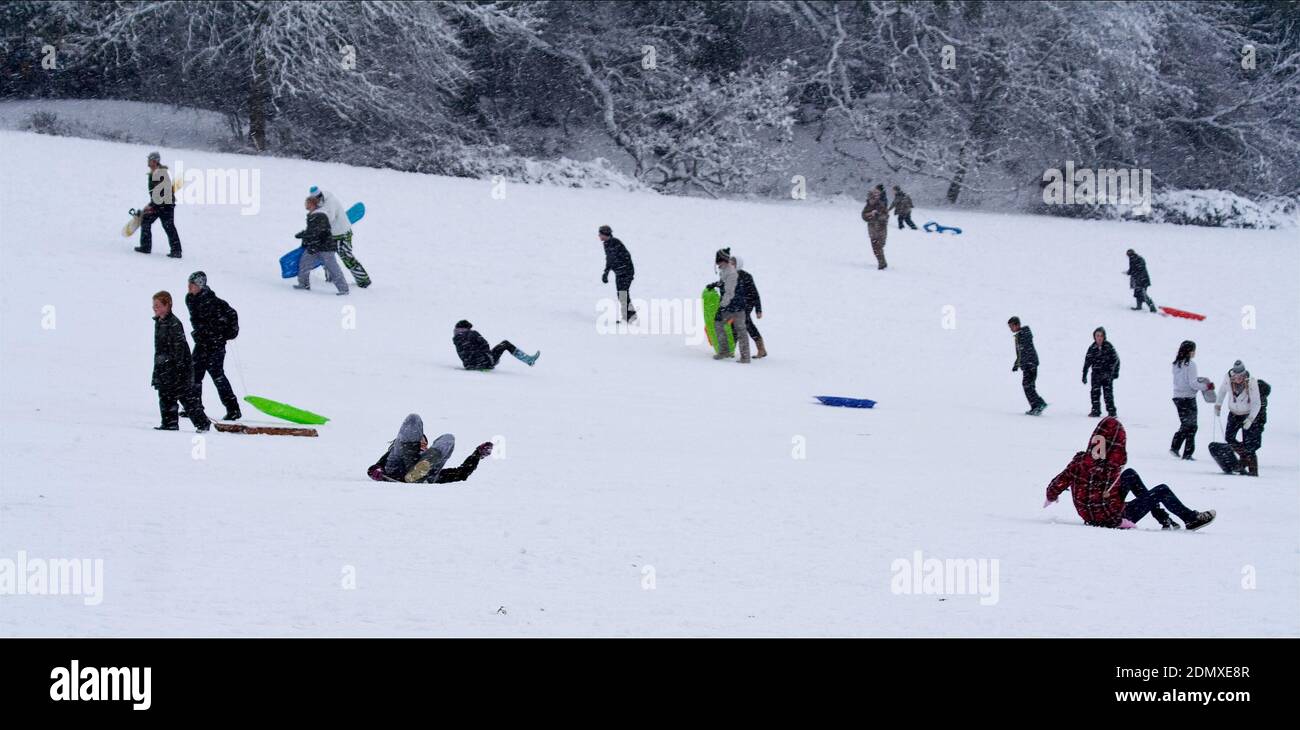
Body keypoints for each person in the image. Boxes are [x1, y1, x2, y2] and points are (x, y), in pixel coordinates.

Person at [1043, 416, 1215, 531]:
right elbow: (1104, 509)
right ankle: (1190, 519)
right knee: (1162, 490)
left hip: (1095, 513)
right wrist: (1118, 522)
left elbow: (1054, 486)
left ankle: (1162, 517)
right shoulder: (1110, 466)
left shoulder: (1079, 462)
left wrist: (1052, 495)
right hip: (1113, 517)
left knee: (1130, 475)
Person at [367, 414, 494, 483]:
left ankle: (418, 473)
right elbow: (374, 468)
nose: (422, 443)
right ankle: (415, 473)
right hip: (397, 467)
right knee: (413, 419)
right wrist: (376, 470)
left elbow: (460, 473)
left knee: (449, 438)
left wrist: (477, 454)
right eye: (419, 441)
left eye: (424, 443)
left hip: (424, 474)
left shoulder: (428, 461)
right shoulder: (394, 453)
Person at [184, 272, 242, 421]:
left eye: (193, 284)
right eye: (189, 284)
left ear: (200, 286)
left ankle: (233, 409)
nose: (189, 287)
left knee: (217, 375)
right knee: (194, 375)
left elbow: (220, 322)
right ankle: (194, 407)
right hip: (202, 343)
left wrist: (214, 334)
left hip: (215, 345)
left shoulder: (212, 302)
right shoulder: (190, 299)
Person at [151, 291, 210, 432]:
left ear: (167, 305)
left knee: (185, 397)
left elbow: (179, 348)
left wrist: (176, 368)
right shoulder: (159, 322)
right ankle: (169, 423)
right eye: (154, 305)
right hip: (164, 366)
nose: (154, 308)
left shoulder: (174, 324)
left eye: (157, 305)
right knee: (165, 395)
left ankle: (202, 423)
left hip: (177, 368)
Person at [309, 186, 370, 288]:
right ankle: (330, 279)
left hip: (343, 234)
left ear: (321, 195)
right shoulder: (318, 205)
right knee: (326, 258)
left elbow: (329, 218)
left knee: (347, 257)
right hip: (331, 235)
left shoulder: (330, 202)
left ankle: (363, 280)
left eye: (318, 197)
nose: (317, 200)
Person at [1215, 360, 1267, 476]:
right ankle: (1243, 456)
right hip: (1233, 413)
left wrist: (1250, 419)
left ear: (1244, 375)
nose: (1237, 378)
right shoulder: (1228, 379)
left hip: (1247, 414)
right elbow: (1222, 391)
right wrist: (1218, 405)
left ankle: (1253, 472)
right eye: (1235, 376)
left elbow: (1256, 403)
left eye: (1240, 376)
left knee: (1250, 445)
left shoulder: (1251, 382)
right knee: (1229, 437)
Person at [293, 194, 349, 295]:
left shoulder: (319, 215)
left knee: (332, 268)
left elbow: (319, 232)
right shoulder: (313, 215)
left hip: (325, 248)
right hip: (315, 246)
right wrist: (303, 234)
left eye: (307, 203)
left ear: (312, 204)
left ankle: (343, 289)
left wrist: (312, 244)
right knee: (304, 263)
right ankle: (303, 284)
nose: (305, 204)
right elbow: (311, 231)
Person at [135, 151, 182, 258]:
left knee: (168, 226)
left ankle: (176, 251)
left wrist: (153, 206)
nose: (148, 161)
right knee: (147, 221)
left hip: (165, 204)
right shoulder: (155, 172)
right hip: (160, 203)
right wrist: (151, 204)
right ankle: (146, 247)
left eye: (149, 160)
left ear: (154, 161)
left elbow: (162, 192)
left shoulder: (159, 173)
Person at [1169, 340, 1211, 460]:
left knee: (1186, 424)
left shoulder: (1176, 364)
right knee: (1192, 426)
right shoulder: (1191, 365)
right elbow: (1193, 384)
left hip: (1177, 397)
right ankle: (1186, 452)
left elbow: (1183, 381)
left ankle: (1176, 447)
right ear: (1190, 351)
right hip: (1188, 398)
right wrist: (1206, 386)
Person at [709, 249, 751, 363]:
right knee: (718, 324)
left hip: (736, 306)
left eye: (718, 261)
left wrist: (722, 306)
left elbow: (729, 292)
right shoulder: (724, 270)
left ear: (723, 260)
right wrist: (715, 284)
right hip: (731, 305)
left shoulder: (731, 272)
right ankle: (725, 351)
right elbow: (723, 283)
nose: (717, 264)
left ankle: (745, 357)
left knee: (740, 330)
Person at [453, 320, 538, 370]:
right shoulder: (472, 333)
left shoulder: (457, 339)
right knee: (505, 343)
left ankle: (482, 363)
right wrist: (491, 359)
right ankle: (528, 360)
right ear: (467, 328)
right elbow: (485, 345)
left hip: (469, 365)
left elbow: (465, 353)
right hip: (483, 363)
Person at [1008, 316, 1047, 415]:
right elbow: (1020, 353)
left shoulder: (1024, 333)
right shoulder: (1019, 335)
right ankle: (1035, 406)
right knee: (1028, 386)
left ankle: (1039, 404)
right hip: (1027, 364)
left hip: (1030, 364)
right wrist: (1016, 364)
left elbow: (1026, 349)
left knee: (1027, 385)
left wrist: (1029, 363)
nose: (1010, 329)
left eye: (1011, 326)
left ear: (1017, 325)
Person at [599, 225, 636, 323]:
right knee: (622, 294)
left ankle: (629, 316)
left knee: (623, 293)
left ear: (605, 234)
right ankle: (630, 315)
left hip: (626, 272)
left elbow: (624, 256)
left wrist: (620, 267)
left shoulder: (615, 242)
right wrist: (606, 272)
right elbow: (609, 259)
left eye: (600, 234)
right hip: (620, 272)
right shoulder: (607, 244)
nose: (599, 236)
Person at [1080, 327, 1120, 417]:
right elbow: (1087, 363)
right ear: (1094, 336)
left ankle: (1111, 411)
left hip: (1107, 375)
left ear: (1104, 337)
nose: (1099, 338)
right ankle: (1095, 410)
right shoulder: (1092, 348)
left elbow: (1116, 360)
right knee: (1095, 393)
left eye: (1101, 336)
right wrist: (1084, 375)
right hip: (1096, 375)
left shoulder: (1108, 347)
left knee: (1108, 394)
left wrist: (1114, 372)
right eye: (1097, 335)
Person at [734, 256, 766, 359]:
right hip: (735, 305)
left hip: (747, 304)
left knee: (747, 324)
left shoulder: (746, 276)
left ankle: (761, 349)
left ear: (738, 264)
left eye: (733, 262)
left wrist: (758, 310)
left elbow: (755, 294)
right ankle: (730, 349)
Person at [860, 187, 889, 269]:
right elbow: (863, 216)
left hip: (881, 229)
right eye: (872, 198)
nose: (872, 200)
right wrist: (869, 214)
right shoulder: (868, 205)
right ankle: (882, 263)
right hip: (872, 229)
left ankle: (882, 262)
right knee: (876, 247)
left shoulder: (881, 205)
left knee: (880, 245)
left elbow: (886, 216)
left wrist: (878, 215)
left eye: (875, 197)